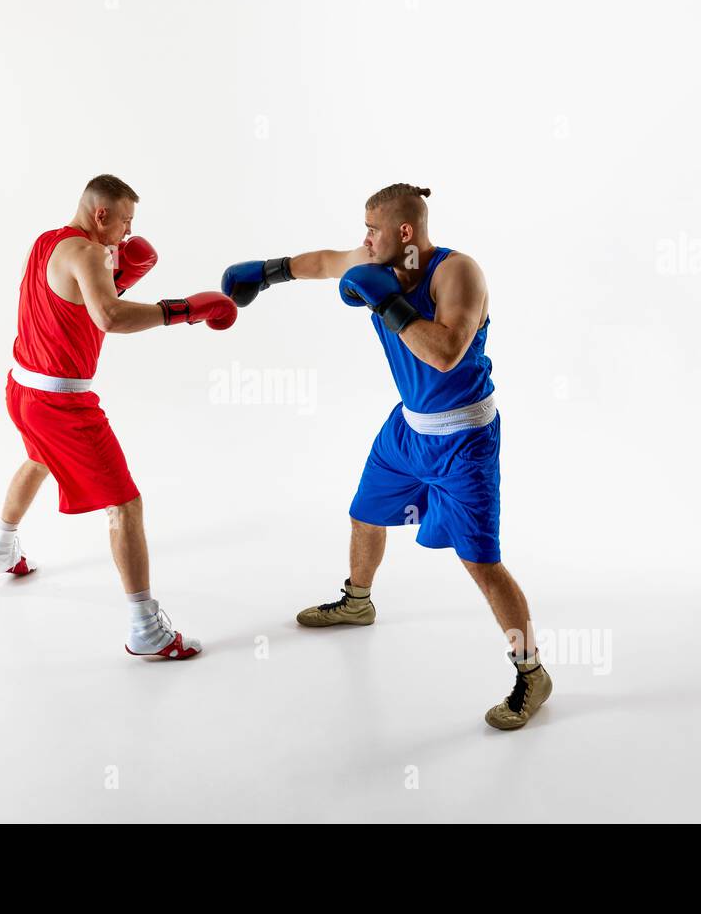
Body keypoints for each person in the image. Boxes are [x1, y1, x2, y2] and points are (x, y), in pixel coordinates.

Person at [221, 184, 551, 728]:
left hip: (463, 441)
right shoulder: (376, 261)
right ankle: (358, 601)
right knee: (364, 516)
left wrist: (387, 302)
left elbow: (446, 354)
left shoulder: (457, 273)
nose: (364, 240)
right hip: (406, 429)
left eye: (373, 230)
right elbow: (326, 263)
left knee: (482, 564)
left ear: (405, 233)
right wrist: (267, 271)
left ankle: (531, 673)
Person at [0, 174, 237, 660]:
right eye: (125, 221)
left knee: (38, 459)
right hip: (61, 403)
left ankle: (1, 550)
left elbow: (66, 304)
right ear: (101, 215)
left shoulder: (46, 243)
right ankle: (147, 630)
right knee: (124, 505)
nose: (127, 234)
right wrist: (183, 310)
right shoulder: (88, 254)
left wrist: (117, 276)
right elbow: (110, 318)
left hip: (21, 388)